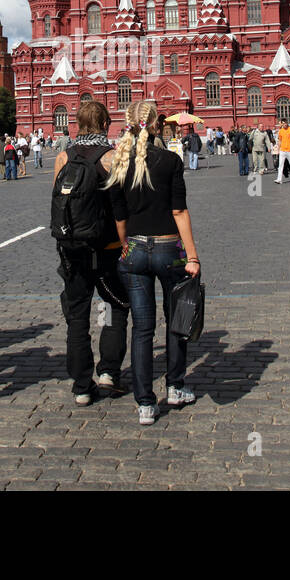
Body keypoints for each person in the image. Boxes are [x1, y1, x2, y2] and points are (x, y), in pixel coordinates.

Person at [105, 100, 202, 425]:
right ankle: (175, 387)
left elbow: (119, 216)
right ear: (157, 125)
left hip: (133, 251)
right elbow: (179, 212)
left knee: (142, 328)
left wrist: (124, 246)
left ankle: (145, 404)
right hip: (167, 250)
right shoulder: (171, 161)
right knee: (177, 321)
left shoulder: (119, 163)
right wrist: (192, 255)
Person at [51, 100, 131, 405]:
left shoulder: (63, 157)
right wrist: (126, 243)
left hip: (72, 250)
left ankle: (82, 386)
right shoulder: (112, 157)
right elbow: (122, 207)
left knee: (77, 316)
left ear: (77, 125)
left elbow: (58, 204)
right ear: (106, 124)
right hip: (108, 247)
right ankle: (109, 372)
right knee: (114, 306)